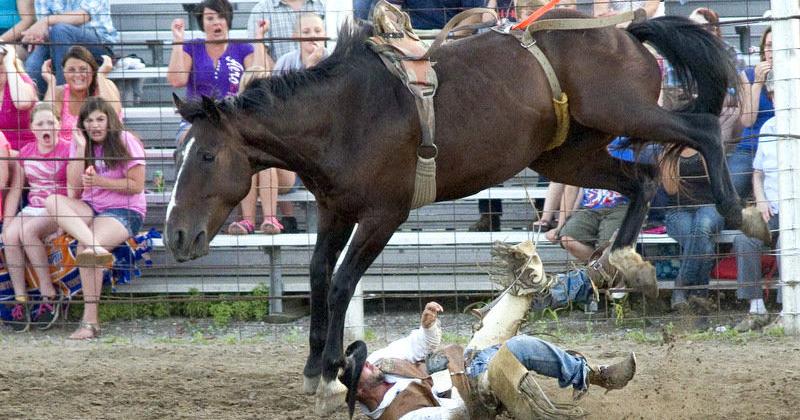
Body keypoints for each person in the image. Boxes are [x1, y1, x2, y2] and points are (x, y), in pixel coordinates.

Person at [340, 301, 636, 419]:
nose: (368, 363)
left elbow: (419, 344)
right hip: (476, 388)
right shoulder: (402, 417)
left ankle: (592, 374)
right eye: (360, 370)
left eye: (362, 360)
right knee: (520, 347)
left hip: (469, 358)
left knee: (515, 297)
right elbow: (455, 414)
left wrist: (428, 325)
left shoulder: (380, 362)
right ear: (361, 391)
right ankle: (592, 375)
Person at [44, 97, 146, 340]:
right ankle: (98, 246)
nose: (95, 125)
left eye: (100, 119)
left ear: (110, 120)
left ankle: (90, 323)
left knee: (85, 248)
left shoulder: (125, 140)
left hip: (124, 210)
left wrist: (101, 181)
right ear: (82, 125)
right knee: (52, 201)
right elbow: (74, 185)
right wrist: (79, 150)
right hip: (91, 205)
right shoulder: (82, 143)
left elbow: (137, 185)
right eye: (89, 120)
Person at [229, 13, 325, 235]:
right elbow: (272, 102)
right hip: (286, 152)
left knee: (268, 159)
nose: (313, 37)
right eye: (306, 32)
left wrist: (310, 69)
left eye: (318, 32)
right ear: (295, 36)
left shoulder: (330, 63)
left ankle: (271, 218)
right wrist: (260, 40)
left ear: (325, 34)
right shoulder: (284, 63)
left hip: (309, 160)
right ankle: (248, 221)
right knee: (254, 158)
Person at [2, 103, 69, 332]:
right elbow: (17, 188)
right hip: (34, 207)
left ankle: (48, 293)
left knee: (28, 232)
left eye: (51, 122)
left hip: (58, 206)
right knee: (10, 235)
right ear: (32, 128)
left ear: (60, 124)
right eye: (40, 123)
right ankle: (21, 298)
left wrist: (65, 224)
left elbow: (74, 188)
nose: (46, 127)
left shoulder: (68, 150)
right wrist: (8, 220)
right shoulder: (27, 152)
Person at [168, 0, 267, 145]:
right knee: (191, 141)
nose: (216, 22)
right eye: (210, 18)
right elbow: (177, 80)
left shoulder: (243, 48)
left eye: (221, 17)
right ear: (202, 23)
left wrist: (259, 39)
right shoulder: (191, 47)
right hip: (197, 119)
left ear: (228, 21)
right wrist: (178, 41)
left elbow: (258, 77)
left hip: (234, 117)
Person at [733, 116, 780, 332]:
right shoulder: (768, 127)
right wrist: (761, 200)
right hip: (771, 209)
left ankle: (788, 309)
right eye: (772, 93)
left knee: (787, 246)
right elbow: (758, 173)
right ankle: (757, 307)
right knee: (744, 239)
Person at [661, 147, 722, 312]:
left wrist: (704, 151)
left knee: (701, 227)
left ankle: (680, 287)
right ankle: (700, 297)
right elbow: (671, 189)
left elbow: (717, 182)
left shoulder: (705, 144)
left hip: (710, 206)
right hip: (678, 210)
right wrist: (670, 155)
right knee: (704, 246)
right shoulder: (667, 151)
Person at [23, 0, 117, 97]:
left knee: (61, 30)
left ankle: (64, 99)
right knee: (34, 64)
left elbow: (83, 16)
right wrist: (35, 35)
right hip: (56, 43)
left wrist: (47, 20)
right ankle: (43, 108)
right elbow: (44, 28)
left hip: (98, 45)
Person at [728, 27, 774, 199]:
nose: (772, 52)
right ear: (762, 49)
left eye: (777, 46)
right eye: (769, 46)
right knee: (732, 187)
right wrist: (758, 83)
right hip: (751, 147)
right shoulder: (748, 75)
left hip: (784, 146)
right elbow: (747, 120)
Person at [41, 45, 121, 143]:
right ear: (63, 72)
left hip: (100, 151)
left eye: (83, 69)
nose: (78, 75)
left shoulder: (104, 85)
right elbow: (46, 124)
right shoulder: (59, 92)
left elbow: (114, 114)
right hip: (67, 154)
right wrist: (51, 83)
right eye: (71, 70)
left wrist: (101, 75)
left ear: (92, 70)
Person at [246, 0, 326, 66]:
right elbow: (256, 57)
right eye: (306, 32)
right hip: (280, 81)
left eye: (317, 31)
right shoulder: (261, 9)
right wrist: (283, 78)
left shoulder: (321, 5)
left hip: (323, 79)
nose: (312, 35)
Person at [0, 40, 37, 151]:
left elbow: (23, 103)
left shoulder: (21, 80)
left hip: (25, 151)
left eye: (0, 62)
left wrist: (10, 66)